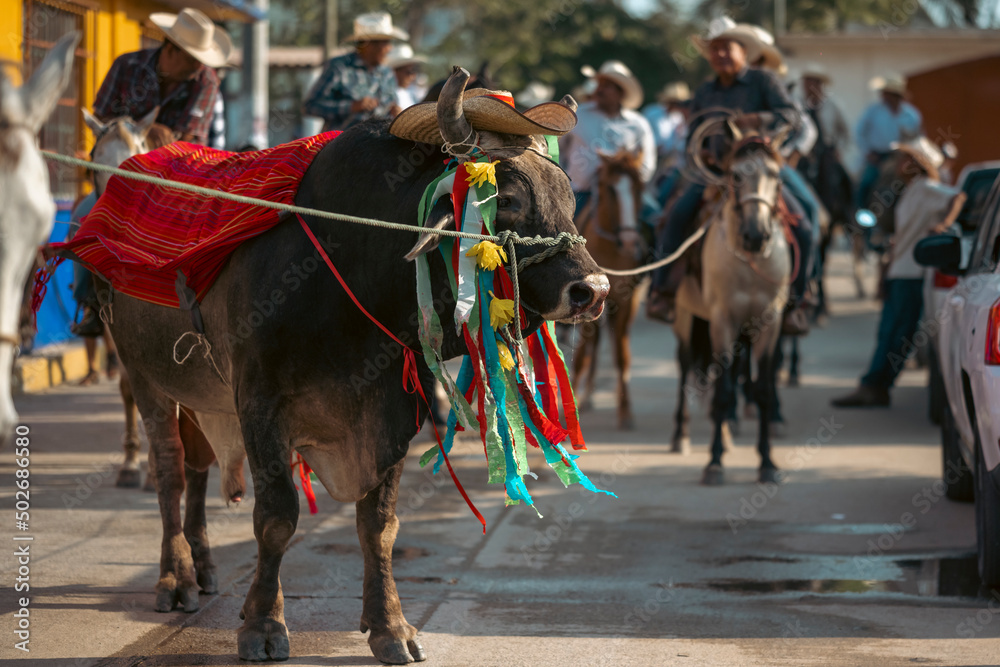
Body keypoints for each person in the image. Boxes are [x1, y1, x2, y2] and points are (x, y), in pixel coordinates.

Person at [646, 18, 812, 334]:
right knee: (675, 215)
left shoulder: (764, 81)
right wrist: (705, 151)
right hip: (715, 173)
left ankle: (798, 301)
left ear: (743, 51)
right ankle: (663, 292)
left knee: (805, 223)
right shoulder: (706, 90)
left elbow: (791, 116)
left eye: (726, 48)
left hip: (761, 171)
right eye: (715, 49)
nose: (720, 54)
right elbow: (695, 132)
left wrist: (759, 117)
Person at [832, 138, 965, 407]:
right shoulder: (911, 190)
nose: (899, 164)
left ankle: (877, 386)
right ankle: (874, 385)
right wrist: (885, 272)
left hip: (913, 274)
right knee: (888, 332)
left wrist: (943, 225)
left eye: (906, 158)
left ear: (919, 163)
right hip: (899, 270)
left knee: (899, 334)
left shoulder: (927, 188)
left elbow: (958, 197)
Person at [93, 8, 231, 144]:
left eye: (201, 61)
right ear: (170, 50)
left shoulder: (206, 80)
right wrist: (144, 129)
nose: (198, 67)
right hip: (121, 161)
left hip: (176, 164)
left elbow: (187, 138)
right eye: (191, 60)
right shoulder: (126, 65)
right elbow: (100, 117)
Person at [560, 60, 656, 221]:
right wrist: (562, 181)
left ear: (621, 93)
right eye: (599, 84)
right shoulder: (577, 116)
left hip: (623, 193)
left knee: (655, 220)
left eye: (606, 86)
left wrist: (631, 182)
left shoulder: (638, 124)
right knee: (560, 231)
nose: (599, 90)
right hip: (580, 192)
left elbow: (647, 163)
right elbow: (557, 149)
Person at [302, 12, 405, 131]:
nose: (390, 49)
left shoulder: (387, 73)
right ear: (369, 45)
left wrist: (396, 112)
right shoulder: (339, 67)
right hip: (341, 143)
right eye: (386, 43)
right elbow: (310, 107)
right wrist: (351, 106)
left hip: (378, 142)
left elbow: (392, 103)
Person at [855, 74, 922, 211]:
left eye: (886, 93)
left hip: (901, 159)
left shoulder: (912, 115)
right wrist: (867, 153)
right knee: (865, 183)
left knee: (907, 188)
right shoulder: (873, 111)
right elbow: (859, 132)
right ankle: (860, 216)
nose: (883, 96)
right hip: (877, 158)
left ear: (895, 95)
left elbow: (918, 139)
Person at [387, 43, 427, 110]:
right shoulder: (388, 94)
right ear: (396, 72)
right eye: (409, 72)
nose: (413, 76)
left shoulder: (410, 94)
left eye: (414, 71)